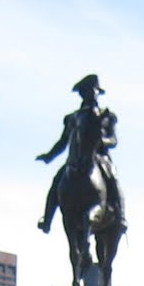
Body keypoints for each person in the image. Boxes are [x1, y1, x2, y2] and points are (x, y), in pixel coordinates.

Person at [37, 74, 127, 235]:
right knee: (58, 179)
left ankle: (120, 216)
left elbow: (113, 140)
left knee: (112, 177)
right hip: (76, 158)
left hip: (99, 157)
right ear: (82, 93)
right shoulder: (72, 118)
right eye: (87, 91)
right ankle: (46, 219)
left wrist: (101, 141)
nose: (92, 94)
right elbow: (63, 141)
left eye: (94, 90)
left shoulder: (107, 116)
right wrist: (49, 156)